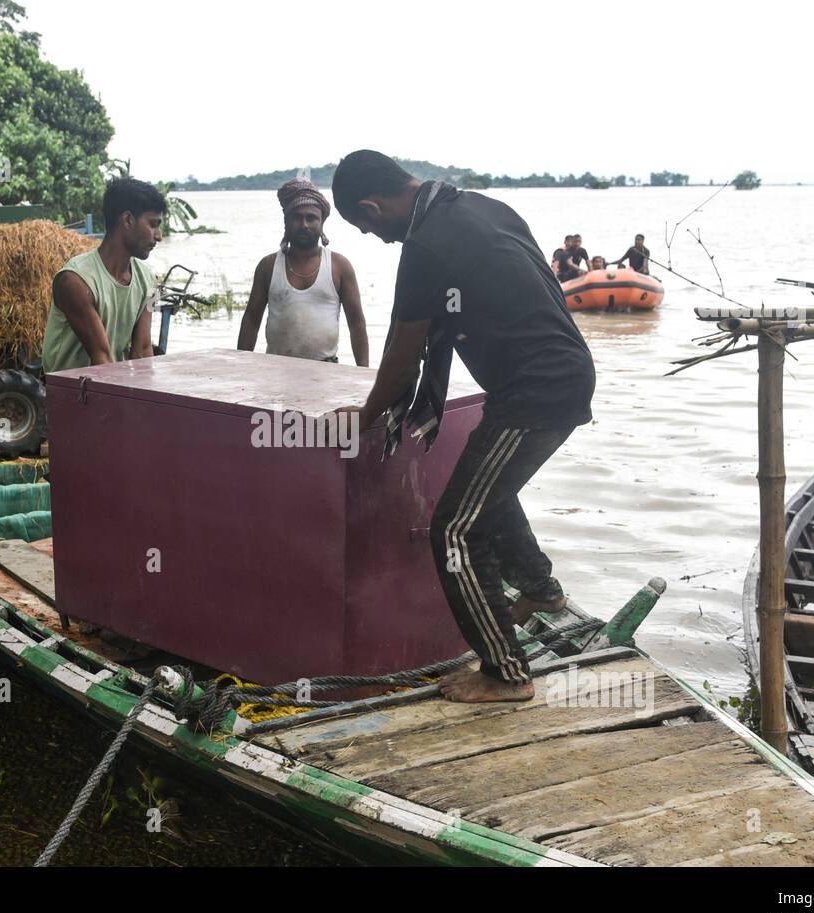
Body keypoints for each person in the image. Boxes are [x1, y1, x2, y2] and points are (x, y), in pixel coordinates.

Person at [331, 150, 596, 704]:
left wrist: (361, 420)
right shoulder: (483, 207)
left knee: (453, 528)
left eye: (368, 227)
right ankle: (541, 592)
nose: (377, 239)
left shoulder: (425, 245)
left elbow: (402, 360)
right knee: (485, 491)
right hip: (560, 375)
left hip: (536, 393)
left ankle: (505, 674)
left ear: (371, 206)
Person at [238, 178, 369, 365]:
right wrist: (241, 366)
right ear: (286, 220)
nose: (304, 224)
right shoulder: (268, 266)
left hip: (325, 370)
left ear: (322, 221)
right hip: (275, 369)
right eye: (297, 217)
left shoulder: (339, 266)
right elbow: (251, 319)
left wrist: (363, 373)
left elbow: (356, 323)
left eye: (311, 218)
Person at [43, 177, 163, 373]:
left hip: (114, 383)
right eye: (153, 224)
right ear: (127, 220)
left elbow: (142, 351)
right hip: (71, 392)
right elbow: (102, 357)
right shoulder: (76, 281)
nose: (158, 236)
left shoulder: (149, 281)